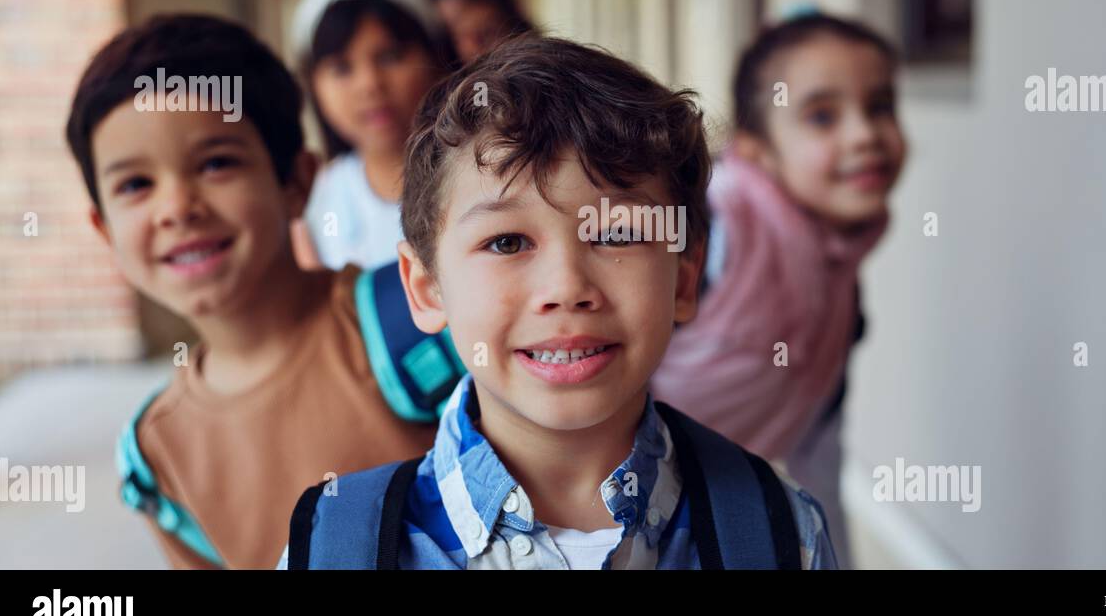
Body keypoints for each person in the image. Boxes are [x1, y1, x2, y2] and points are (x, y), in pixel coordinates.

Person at [283, 37, 837, 569]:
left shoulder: (781, 532)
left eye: (617, 235)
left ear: (684, 279)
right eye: (506, 242)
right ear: (426, 289)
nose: (567, 288)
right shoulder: (333, 546)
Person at [65, 14, 451, 568]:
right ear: (104, 228)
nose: (176, 208)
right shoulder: (156, 453)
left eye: (216, 163)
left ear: (297, 183)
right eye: (135, 185)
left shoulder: (419, 322)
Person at [651, 13, 907, 565]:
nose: (865, 135)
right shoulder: (716, 226)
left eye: (880, 106)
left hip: (718, 509)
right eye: (822, 116)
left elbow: (819, 447)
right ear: (756, 150)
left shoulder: (837, 265)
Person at [291, 0, 450, 270]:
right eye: (342, 68)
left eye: (390, 57)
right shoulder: (314, 204)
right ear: (313, 86)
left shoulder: (485, 172)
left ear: (435, 61)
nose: (370, 84)